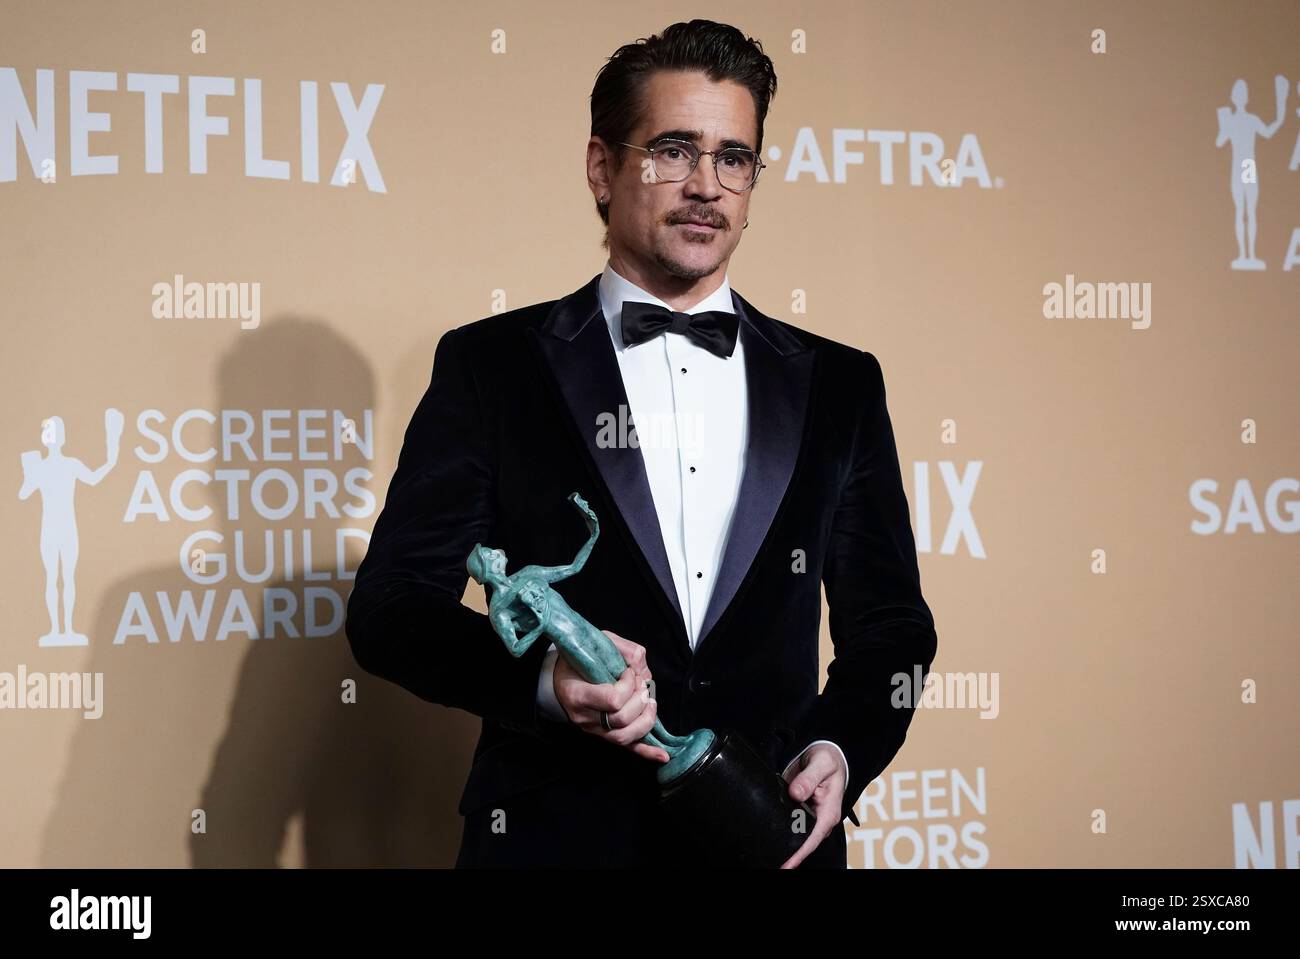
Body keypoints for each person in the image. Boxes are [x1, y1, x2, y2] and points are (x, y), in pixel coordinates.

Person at [345, 18, 937, 869]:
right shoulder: (492, 365)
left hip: (769, 843)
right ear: (601, 167)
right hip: (556, 848)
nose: (707, 184)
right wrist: (544, 681)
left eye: (734, 157)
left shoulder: (840, 384)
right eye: (672, 150)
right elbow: (392, 609)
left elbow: (892, 626)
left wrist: (841, 747)